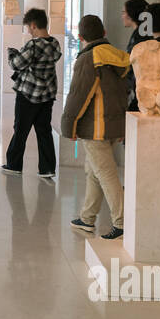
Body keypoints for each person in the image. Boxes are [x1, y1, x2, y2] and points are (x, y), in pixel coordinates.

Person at [59, 15, 130, 239]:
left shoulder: (88, 58)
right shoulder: (119, 57)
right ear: (105, 32)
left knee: (106, 173)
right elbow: (123, 93)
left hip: (95, 127)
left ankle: (122, 223)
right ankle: (87, 218)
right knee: (94, 171)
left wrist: (68, 126)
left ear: (80, 37)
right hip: (114, 125)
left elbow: (79, 95)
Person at [2, 7, 63, 180]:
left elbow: (16, 64)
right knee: (44, 131)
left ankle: (14, 165)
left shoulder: (33, 44)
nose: (28, 30)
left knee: (20, 129)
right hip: (47, 94)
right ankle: (47, 168)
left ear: (34, 25)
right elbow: (54, 58)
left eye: (29, 27)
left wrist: (11, 53)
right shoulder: (54, 43)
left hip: (28, 94)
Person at [121, 0, 152, 111]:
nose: (122, 16)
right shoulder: (143, 33)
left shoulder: (140, 36)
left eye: (124, 12)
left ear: (130, 14)